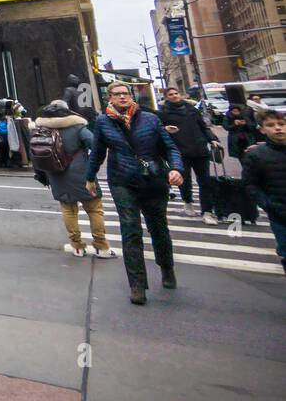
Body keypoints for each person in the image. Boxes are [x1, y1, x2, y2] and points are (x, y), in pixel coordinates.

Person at [86, 82, 184, 305]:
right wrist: (90, 177)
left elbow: (170, 147)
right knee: (130, 229)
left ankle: (167, 268)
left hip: (153, 179)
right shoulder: (103, 122)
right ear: (109, 99)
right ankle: (137, 284)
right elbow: (98, 152)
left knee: (158, 227)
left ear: (131, 97)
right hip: (122, 180)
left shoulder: (150, 119)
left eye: (125, 94)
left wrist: (176, 168)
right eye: (117, 94)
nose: (122, 97)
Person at [34, 100, 116, 259]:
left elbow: (36, 155)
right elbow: (96, 145)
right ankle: (101, 246)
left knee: (68, 211)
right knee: (94, 209)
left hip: (56, 176)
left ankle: (77, 246)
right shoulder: (78, 127)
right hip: (82, 174)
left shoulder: (40, 130)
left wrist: (43, 176)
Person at [158, 86, 220, 223]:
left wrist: (212, 139)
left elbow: (203, 127)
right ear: (166, 97)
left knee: (205, 182)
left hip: (200, 149)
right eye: (171, 94)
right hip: (180, 151)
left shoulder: (192, 109)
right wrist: (165, 129)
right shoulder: (164, 113)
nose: (174, 96)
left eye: (176, 93)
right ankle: (188, 201)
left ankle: (207, 212)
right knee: (185, 180)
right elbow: (158, 130)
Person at [241, 110, 286, 276]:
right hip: (279, 213)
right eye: (271, 125)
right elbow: (250, 184)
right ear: (262, 129)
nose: (278, 128)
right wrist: (268, 204)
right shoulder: (256, 155)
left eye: (281, 124)